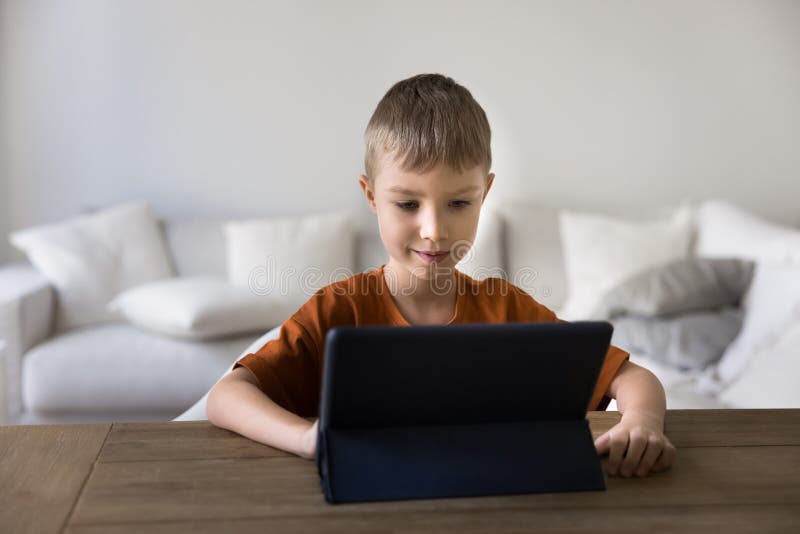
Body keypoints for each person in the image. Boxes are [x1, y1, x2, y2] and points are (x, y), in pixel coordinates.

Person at [207, 73, 676, 478]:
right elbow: (227, 396)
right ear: (370, 196)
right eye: (407, 204)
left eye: (458, 203)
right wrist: (310, 440)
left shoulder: (507, 309)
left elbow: (632, 377)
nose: (434, 231)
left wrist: (642, 422)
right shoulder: (338, 310)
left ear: (485, 192)